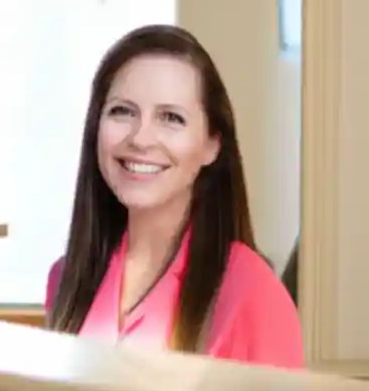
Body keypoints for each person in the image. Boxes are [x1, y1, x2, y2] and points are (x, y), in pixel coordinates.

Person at [45, 25, 304, 369]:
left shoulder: (252, 292)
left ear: (212, 143)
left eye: (171, 118)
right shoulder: (65, 278)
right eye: (122, 111)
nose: (141, 138)